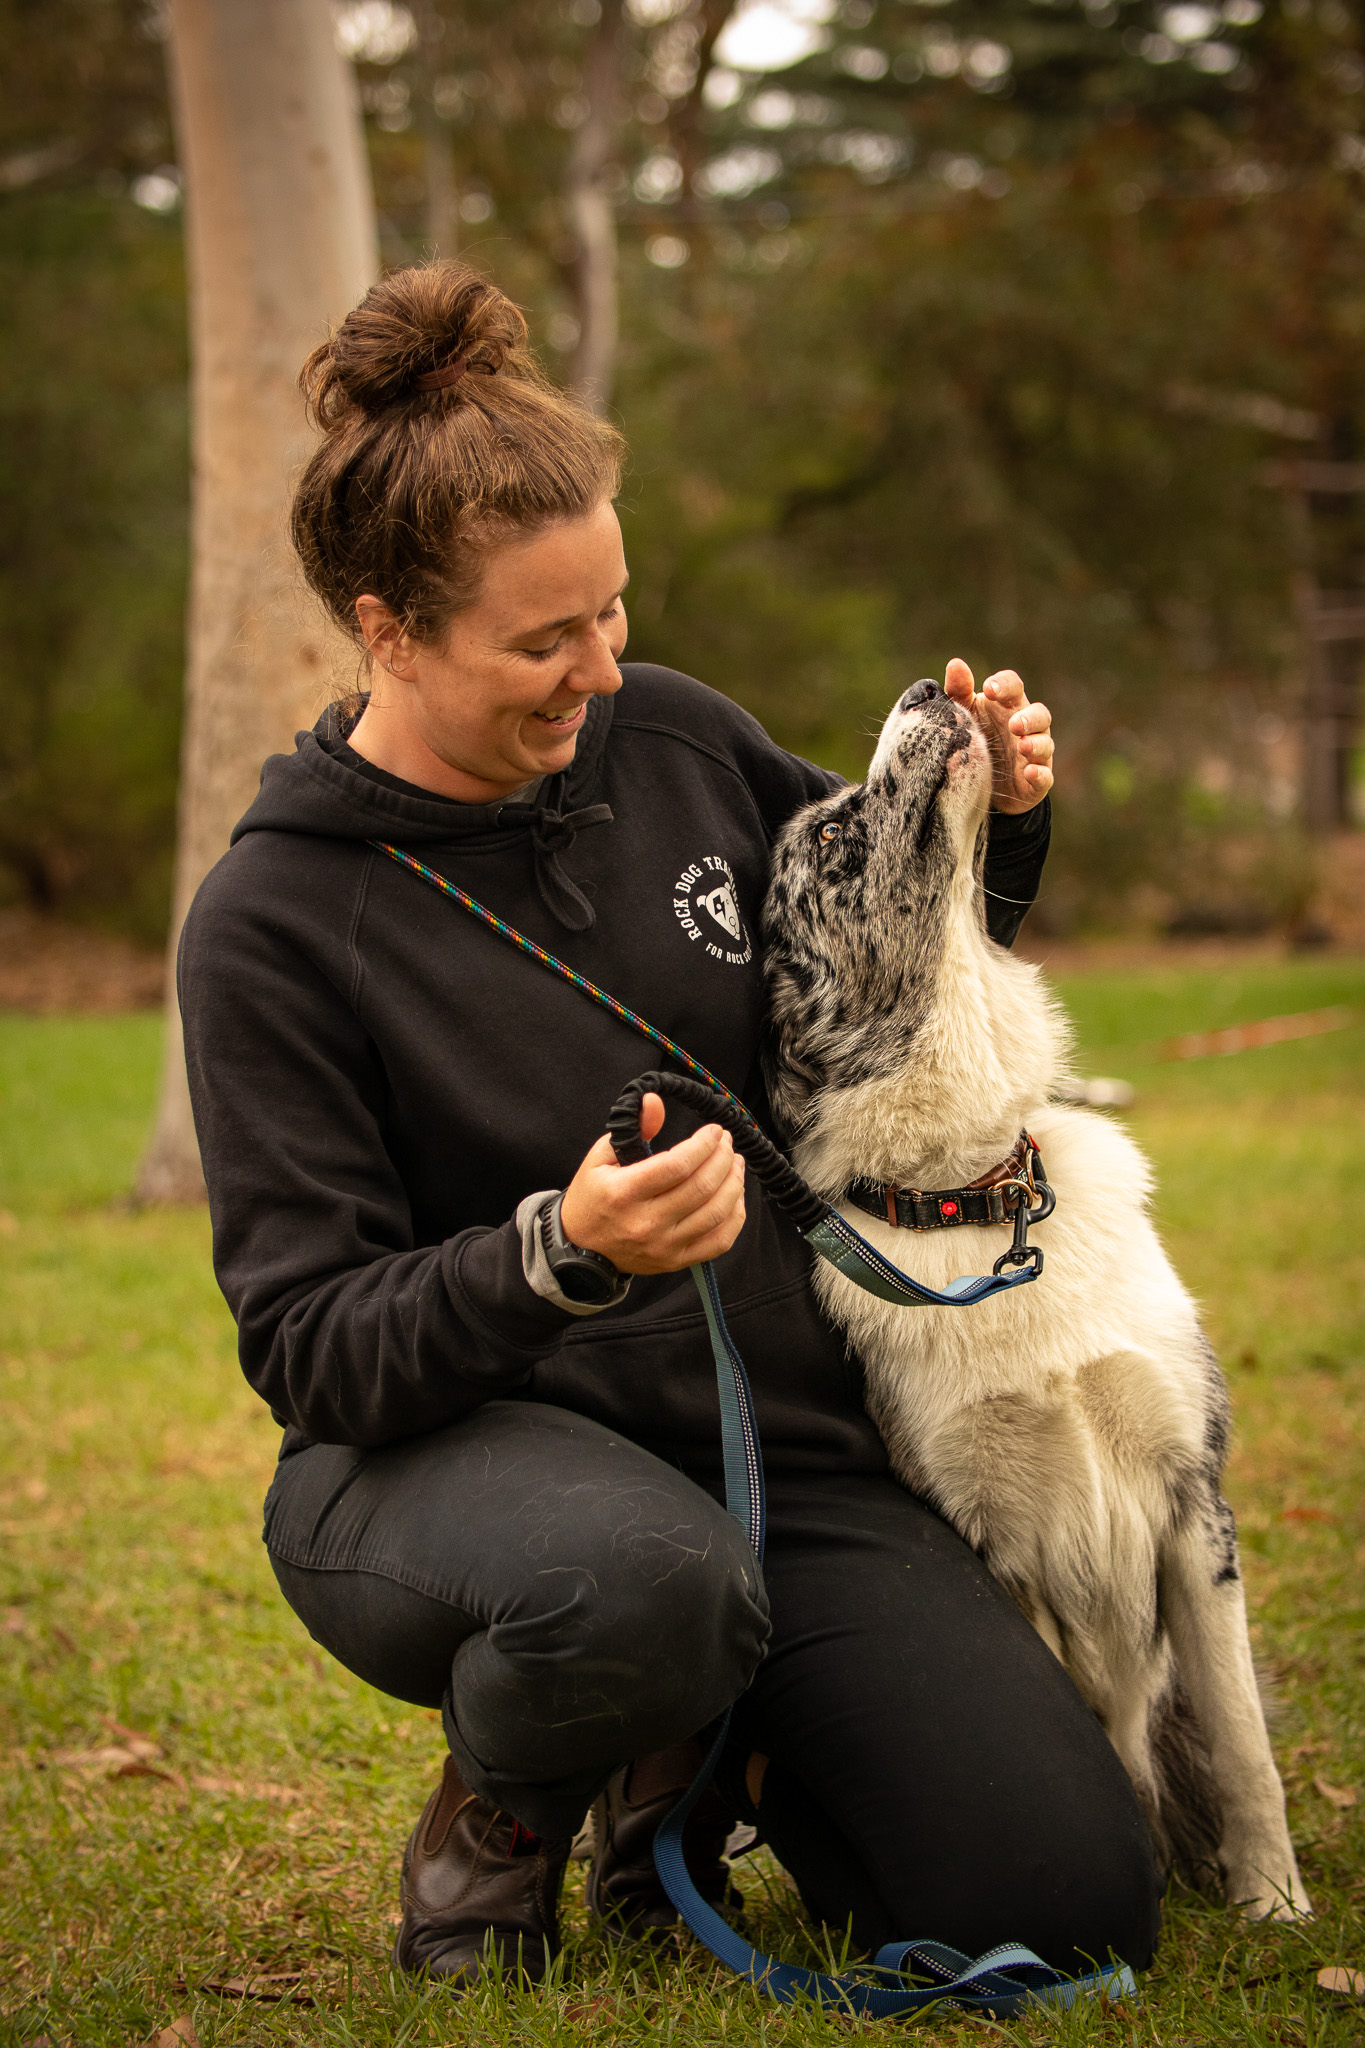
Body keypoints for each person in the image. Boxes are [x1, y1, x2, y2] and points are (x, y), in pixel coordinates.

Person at [178, 262, 1162, 1991]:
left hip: (788, 1455)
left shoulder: (682, 739)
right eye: (541, 641)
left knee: (1056, 1901)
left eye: (612, 613)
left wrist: (994, 811)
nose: (600, 670)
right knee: (646, 1583)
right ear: (386, 625)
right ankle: (503, 1813)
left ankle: (712, 1761)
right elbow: (314, 1346)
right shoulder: (271, 920)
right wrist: (556, 1260)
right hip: (447, 1471)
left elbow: (885, 941)